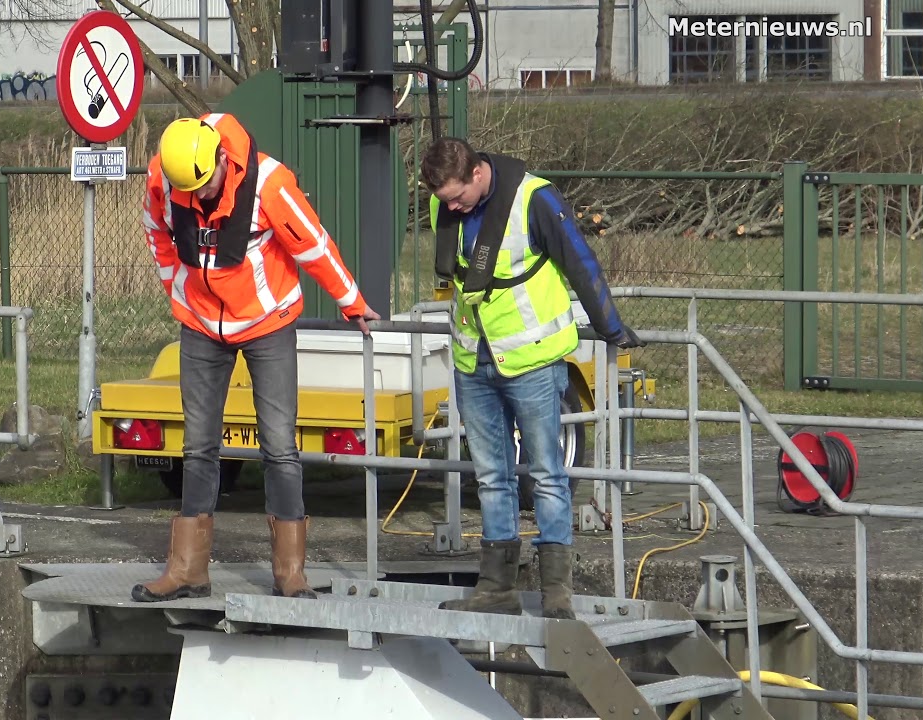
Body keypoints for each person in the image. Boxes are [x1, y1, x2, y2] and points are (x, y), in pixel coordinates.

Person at [131, 113, 381, 603]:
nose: (200, 199)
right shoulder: (165, 176)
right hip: (201, 324)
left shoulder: (271, 183)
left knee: (279, 447)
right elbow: (155, 230)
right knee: (198, 447)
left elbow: (313, 245)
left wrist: (351, 300)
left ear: (223, 159)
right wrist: (175, 288)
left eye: (206, 188)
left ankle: (291, 575)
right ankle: (187, 571)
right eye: (191, 193)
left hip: (268, 324)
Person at [419, 136, 643, 619]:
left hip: (533, 362)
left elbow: (580, 260)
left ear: (478, 174)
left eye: (457, 197)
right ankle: (496, 587)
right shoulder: (448, 205)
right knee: (491, 477)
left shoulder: (534, 198)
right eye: (444, 201)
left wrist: (610, 325)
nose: (451, 207)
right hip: (473, 359)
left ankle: (555, 592)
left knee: (546, 474)